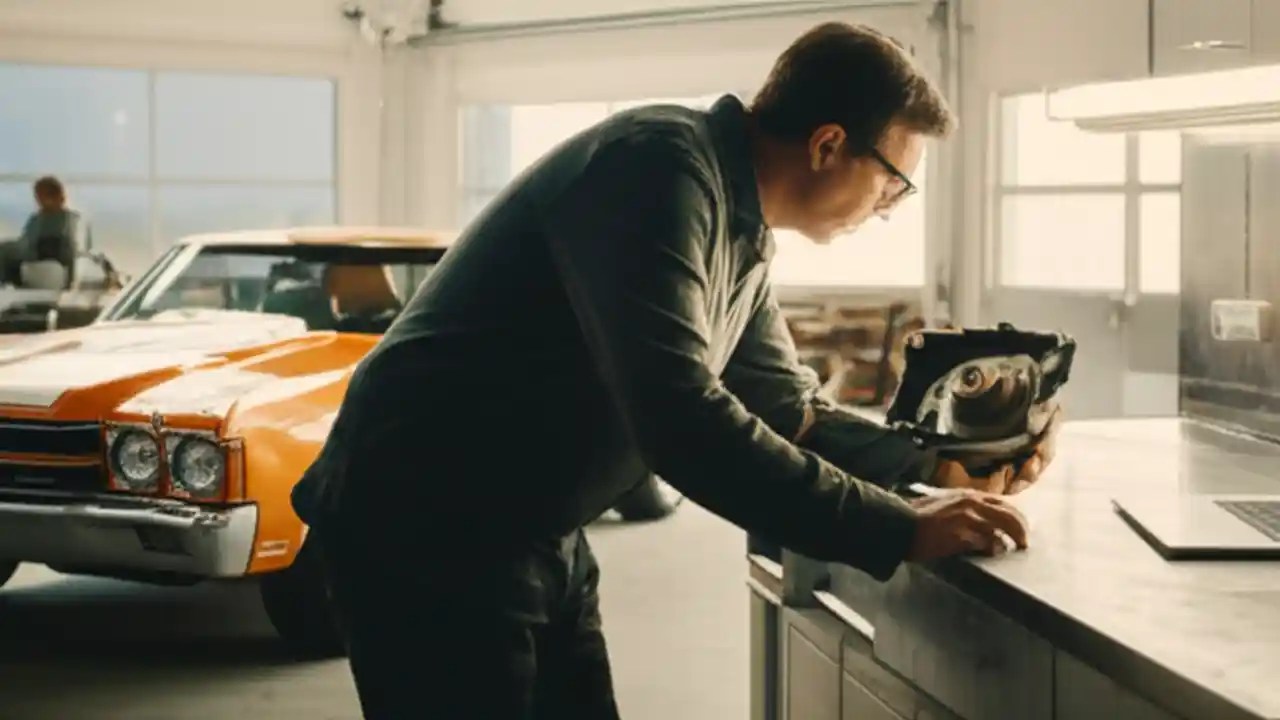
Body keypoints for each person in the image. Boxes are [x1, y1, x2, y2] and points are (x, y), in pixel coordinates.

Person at [292, 21, 1062, 720]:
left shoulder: (741, 227)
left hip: (535, 521)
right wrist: (892, 525)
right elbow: (680, 419)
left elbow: (783, 409)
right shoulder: (655, 169)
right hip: (429, 518)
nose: (891, 205)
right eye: (895, 180)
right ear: (829, 144)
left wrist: (937, 464)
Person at [14, 176, 91, 289]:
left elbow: (77, 251)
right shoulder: (36, 220)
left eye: (45, 196)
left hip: (62, 274)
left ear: (58, 196)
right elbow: (24, 246)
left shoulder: (73, 220)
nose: (39, 201)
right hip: (35, 270)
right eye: (38, 197)